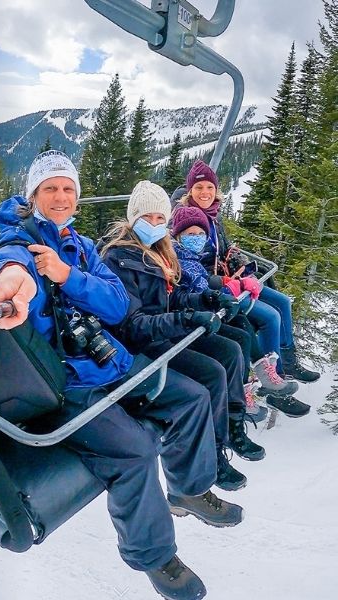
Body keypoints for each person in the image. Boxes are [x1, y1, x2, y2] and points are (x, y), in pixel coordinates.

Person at [0, 150, 242, 600]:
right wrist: (9, 282)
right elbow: (7, 269)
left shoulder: (78, 247)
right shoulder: (18, 245)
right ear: (34, 196)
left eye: (68, 188)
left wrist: (67, 277)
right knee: (136, 452)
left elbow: (117, 303)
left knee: (192, 397)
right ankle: (154, 556)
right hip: (66, 380)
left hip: (110, 360)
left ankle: (189, 489)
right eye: (50, 188)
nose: (61, 196)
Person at [101, 181, 265, 470]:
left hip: (166, 329)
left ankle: (234, 427)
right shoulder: (119, 259)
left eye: (159, 218)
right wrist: (187, 318)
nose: (153, 224)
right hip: (147, 341)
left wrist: (207, 299)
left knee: (230, 351)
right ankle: (214, 453)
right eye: (146, 217)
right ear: (132, 219)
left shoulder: (158, 251)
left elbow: (171, 295)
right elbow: (133, 325)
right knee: (212, 373)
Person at [173, 160, 319, 398]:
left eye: (210, 187)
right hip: (217, 285)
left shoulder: (213, 217)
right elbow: (191, 267)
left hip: (229, 277)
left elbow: (228, 249)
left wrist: (245, 270)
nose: (205, 193)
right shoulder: (184, 219)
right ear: (190, 191)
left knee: (281, 301)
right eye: (199, 188)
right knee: (270, 316)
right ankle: (277, 379)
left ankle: (289, 362)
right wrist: (229, 282)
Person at [170, 206, 299, 417]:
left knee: (246, 323)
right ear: (178, 235)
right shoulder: (181, 257)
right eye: (190, 235)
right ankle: (244, 393)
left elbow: (209, 272)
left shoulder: (203, 241)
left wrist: (230, 278)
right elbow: (198, 286)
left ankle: (267, 372)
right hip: (194, 312)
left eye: (201, 234)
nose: (197, 238)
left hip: (208, 301)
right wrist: (231, 286)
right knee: (245, 333)